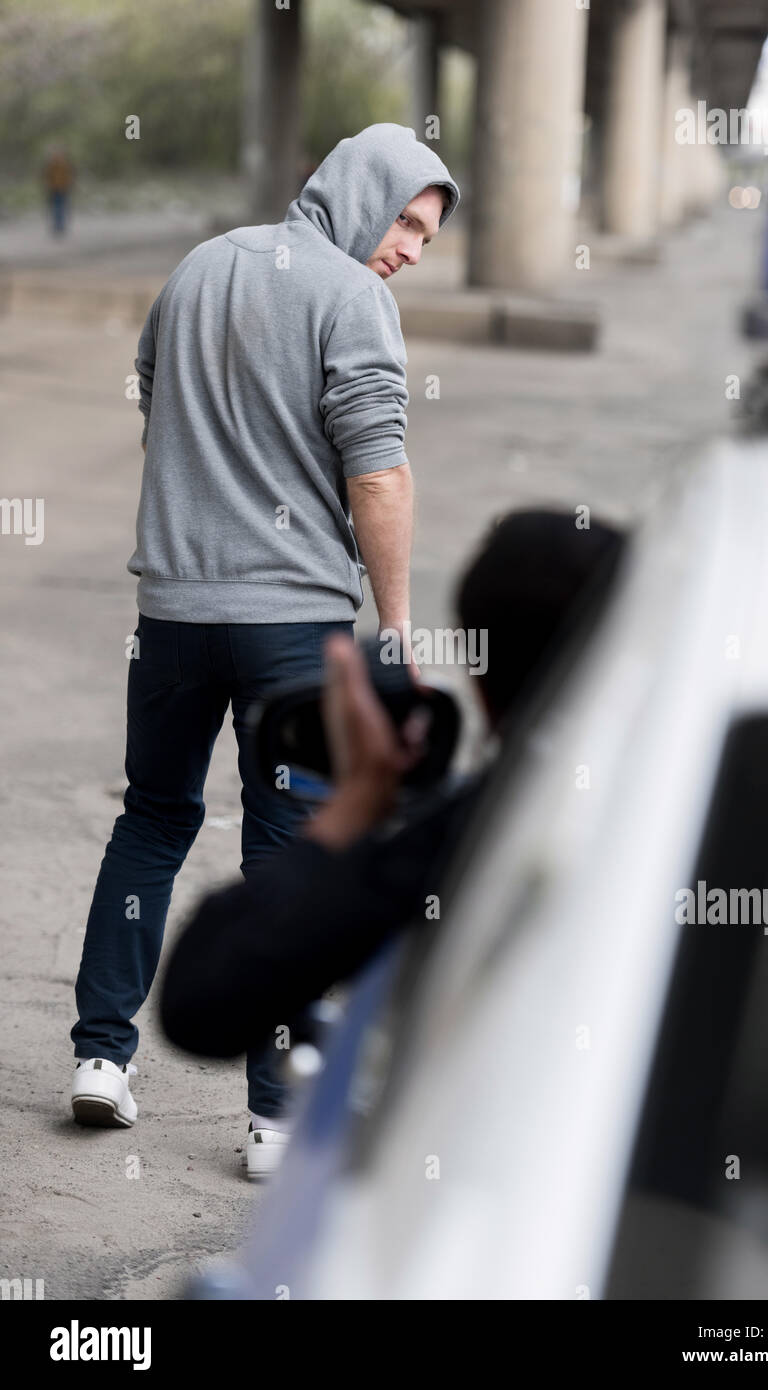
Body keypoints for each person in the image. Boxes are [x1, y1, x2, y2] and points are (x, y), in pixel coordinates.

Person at [69, 124, 461, 1179]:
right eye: (409, 224)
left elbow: (155, 402)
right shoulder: (351, 298)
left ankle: (102, 1057)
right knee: (289, 841)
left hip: (176, 612)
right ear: (363, 193)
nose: (412, 251)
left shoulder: (200, 267)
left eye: (427, 237)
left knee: (151, 818)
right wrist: (397, 621)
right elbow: (377, 474)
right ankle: (273, 1116)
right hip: (294, 622)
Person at [158, 512, 626, 1113]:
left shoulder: (473, 835)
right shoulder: (732, 802)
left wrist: (355, 805)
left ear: (478, 681)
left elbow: (202, 1001)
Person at [43, 146, 75, 236]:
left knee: (61, 208)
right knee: (56, 208)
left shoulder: (64, 165)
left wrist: (69, 185)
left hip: (63, 188)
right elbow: (47, 177)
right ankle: (57, 226)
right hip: (54, 189)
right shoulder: (52, 165)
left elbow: (69, 176)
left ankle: (60, 226)